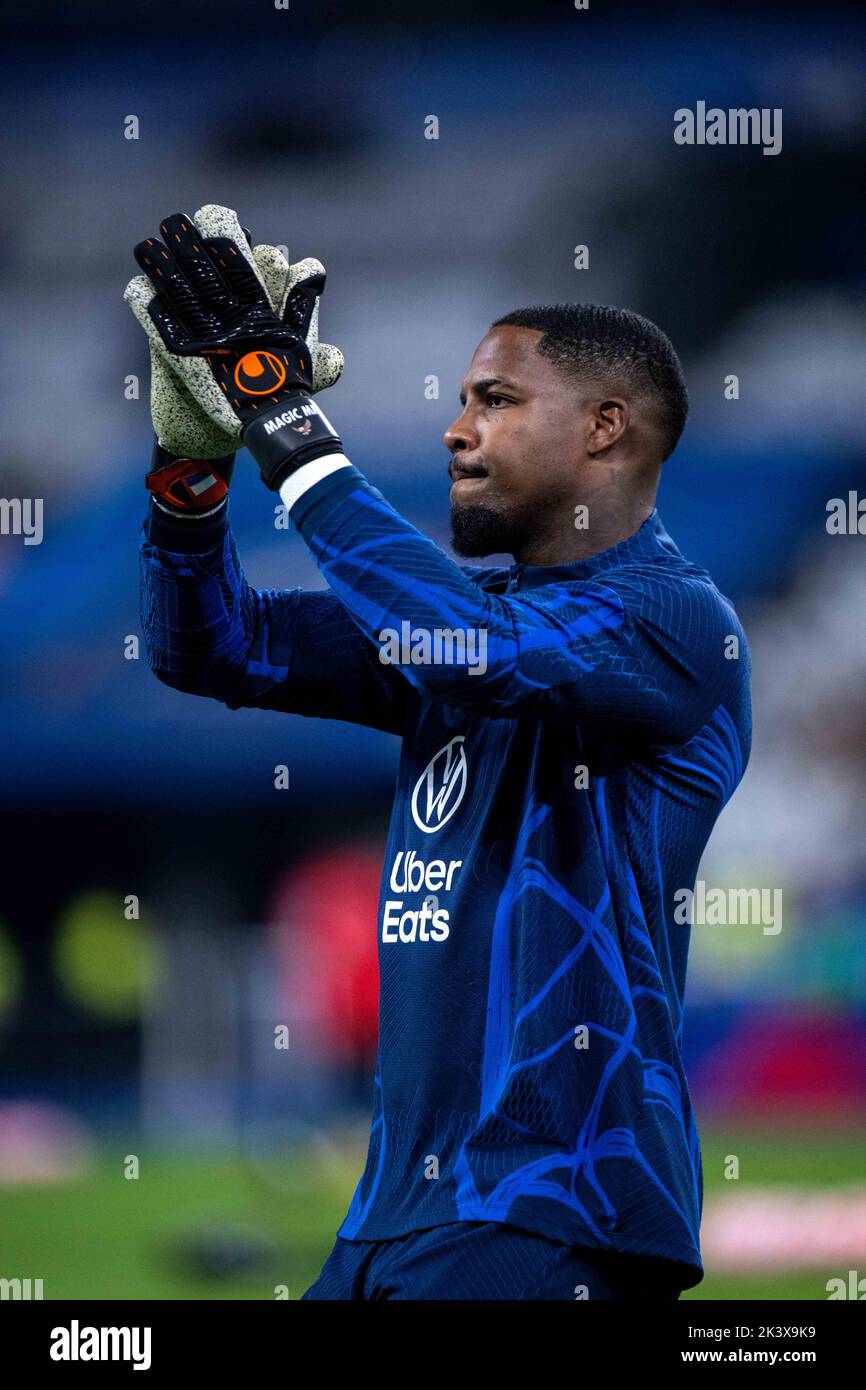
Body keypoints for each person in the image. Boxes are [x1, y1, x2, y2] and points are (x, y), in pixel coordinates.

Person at [130, 205, 751, 1299]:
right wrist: (190, 478)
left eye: (496, 402)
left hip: (555, 1203)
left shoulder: (673, 617)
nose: (456, 430)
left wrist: (283, 416)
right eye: (463, 401)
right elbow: (216, 649)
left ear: (605, 427)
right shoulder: (476, 617)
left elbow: (469, 650)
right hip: (397, 1208)